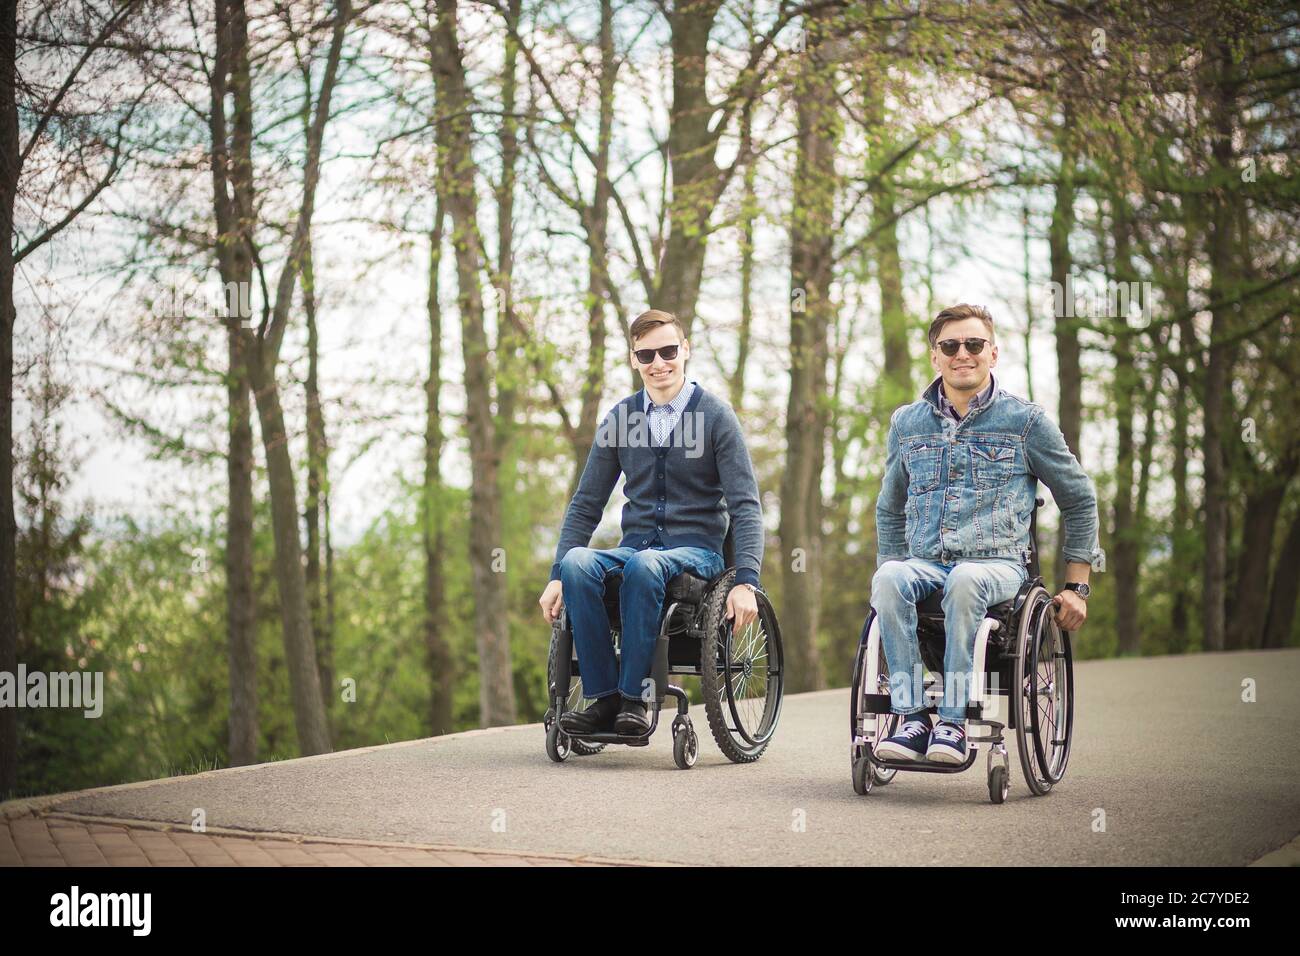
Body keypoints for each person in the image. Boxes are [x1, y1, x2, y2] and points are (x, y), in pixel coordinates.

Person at [872, 304, 1101, 764]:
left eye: (974, 344)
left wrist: (1077, 586)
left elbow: (1079, 499)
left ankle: (953, 723)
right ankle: (912, 716)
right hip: (925, 561)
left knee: (966, 579)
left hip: (998, 565)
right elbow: (888, 506)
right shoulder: (907, 423)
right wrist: (893, 566)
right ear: (935, 356)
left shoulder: (1026, 423)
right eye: (950, 345)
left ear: (992, 354)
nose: (963, 354)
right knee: (888, 580)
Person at [538, 309, 764, 736]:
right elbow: (586, 503)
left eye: (668, 351)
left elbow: (746, 506)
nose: (659, 363)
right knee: (578, 565)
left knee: (645, 566)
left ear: (686, 351)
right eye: (647, 355)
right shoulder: (621, 419)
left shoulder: (716, 417)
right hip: (638, 546)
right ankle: (604, 700)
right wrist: (555, 576)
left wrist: (746, 580)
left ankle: (637, 699)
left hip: (697, 552)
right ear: (633, 359)